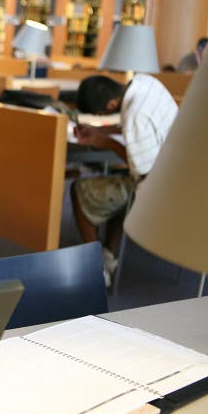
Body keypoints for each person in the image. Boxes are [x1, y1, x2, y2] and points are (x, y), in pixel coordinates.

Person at [70, 74, 178, 283]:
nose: (103, 115)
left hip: (160, 189)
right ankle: (108, 257)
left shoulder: (134, 115)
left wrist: (106, 142)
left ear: (111, 104)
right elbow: (137, 125)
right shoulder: (146, 83)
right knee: (117, 179)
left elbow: (140, 170)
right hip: (177, 172)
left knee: (78, 189)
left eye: (101, 113)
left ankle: (96, 270)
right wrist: (102, 130)